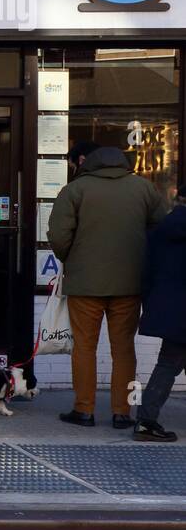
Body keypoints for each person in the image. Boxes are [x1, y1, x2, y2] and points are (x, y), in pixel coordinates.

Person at [48, 146, 169, 428]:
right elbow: (161, 229)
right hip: (129, 283)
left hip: (85, 284)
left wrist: (72, 257)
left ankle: (84, 409)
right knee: (124, 348)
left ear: (87, 163)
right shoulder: (144, 188)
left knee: (84, 347)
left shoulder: (75, 189)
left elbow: (58, 235)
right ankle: (122, 412)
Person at [133, 193, 186, 442]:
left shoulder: (160, 230)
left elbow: (146, 272)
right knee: (168, 364)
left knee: (168, 362)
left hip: (170, 309)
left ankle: (146, 421)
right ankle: (146, 420)